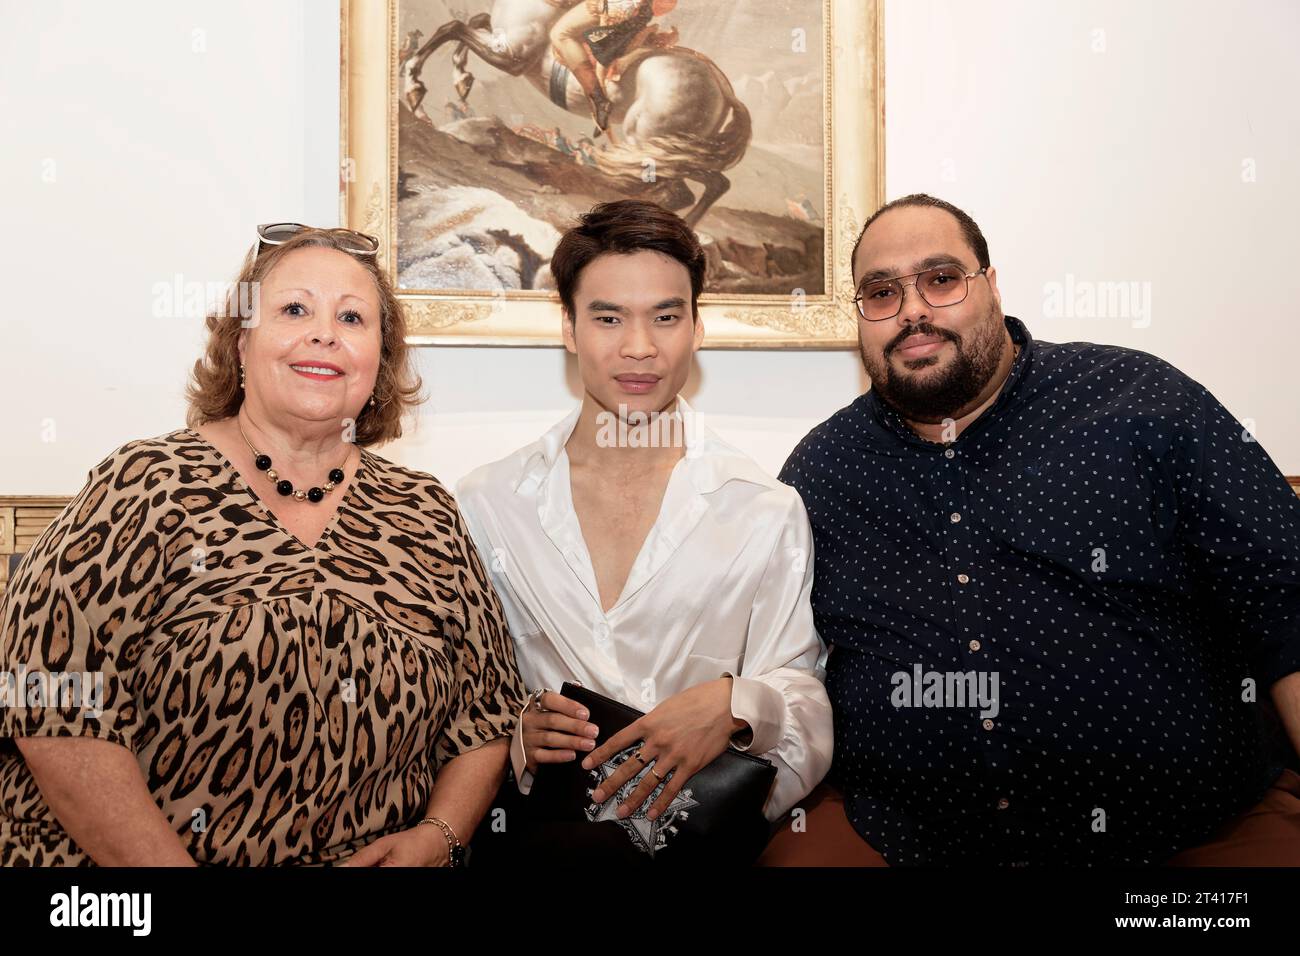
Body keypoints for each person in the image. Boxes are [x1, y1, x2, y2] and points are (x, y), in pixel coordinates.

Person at [771, 193, 1300, 866]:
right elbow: (775, 658)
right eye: (880, 292)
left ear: (991, 287)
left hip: (1188, 838)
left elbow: (1287, 599)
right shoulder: (822, 471)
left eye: (940, 279)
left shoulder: (1141, 403)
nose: (912, 311)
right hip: (906, 842)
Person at [0, 224, 525, 866]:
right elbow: (46, 696)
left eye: (352, 318)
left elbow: (488, 716)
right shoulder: (145, 484)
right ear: (242, 344)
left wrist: (437, 837)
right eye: (294, 309)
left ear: (378, 361)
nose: (325, 333)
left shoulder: (426, 511)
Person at [455, 199, 832, 862]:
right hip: (540, 846)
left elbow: (805, 699)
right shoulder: (489, 503)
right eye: (608, 317)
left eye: (666, 316)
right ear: (569, 328)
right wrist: (518, 736)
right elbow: (459, 696)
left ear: (696, 327)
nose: (639, 347)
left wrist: (734, 706)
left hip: (700, 852)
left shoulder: (762, 508)